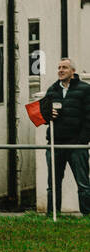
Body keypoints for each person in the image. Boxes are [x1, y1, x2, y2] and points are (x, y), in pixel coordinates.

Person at [38, 57, 90, 215]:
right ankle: (52, 214)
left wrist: (82, 140)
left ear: (73, 71)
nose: (60, 70)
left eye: (64, 67)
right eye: (59, 67)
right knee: (53, 183)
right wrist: (47, 115)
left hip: (77, 145)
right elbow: (41, 115)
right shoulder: (52, 90)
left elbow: (89, 117)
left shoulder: (85, 89)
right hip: (55, 143)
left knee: (83, 183)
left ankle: (87, 215)